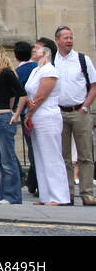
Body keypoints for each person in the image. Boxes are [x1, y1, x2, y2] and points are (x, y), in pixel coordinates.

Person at [18, 37, 68, 205]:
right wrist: (29, 114)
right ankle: (46, 195)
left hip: (47, 115)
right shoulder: (35, 70)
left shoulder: (50, 71)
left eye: (37, 48)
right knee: (39, 156)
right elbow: (29, 94)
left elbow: (40, 97)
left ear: (46, 53)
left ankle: (59, 196)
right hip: (36, 116)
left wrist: (30, 111)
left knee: (51, 155)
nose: (34, 50)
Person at [51, 26, 96, 206]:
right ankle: (66, 193)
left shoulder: (82, 60)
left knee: (85, 154)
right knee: (63, 156)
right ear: (57, 40)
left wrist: (85, 107)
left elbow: (94, 85)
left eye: (71, 37)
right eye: (65, 38)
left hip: (79, 111)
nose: (69, 41)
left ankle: (87, 193)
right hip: (60, 112)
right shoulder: (52, 61)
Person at [0, 42, 25, 204]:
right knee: (1, 160)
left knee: (8, 160)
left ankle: (12, 196)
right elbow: (10, 95)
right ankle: (3, 195)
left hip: (3, 118)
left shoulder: (6, 72)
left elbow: (22, 93)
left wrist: (15, 114)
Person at [14, 40, 38, 196]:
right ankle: (33, 181)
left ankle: (33, 181)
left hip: (26, 114)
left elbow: (18, 94)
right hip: (39, 111)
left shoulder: (18, 72)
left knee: (32, 149)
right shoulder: (37, 68)